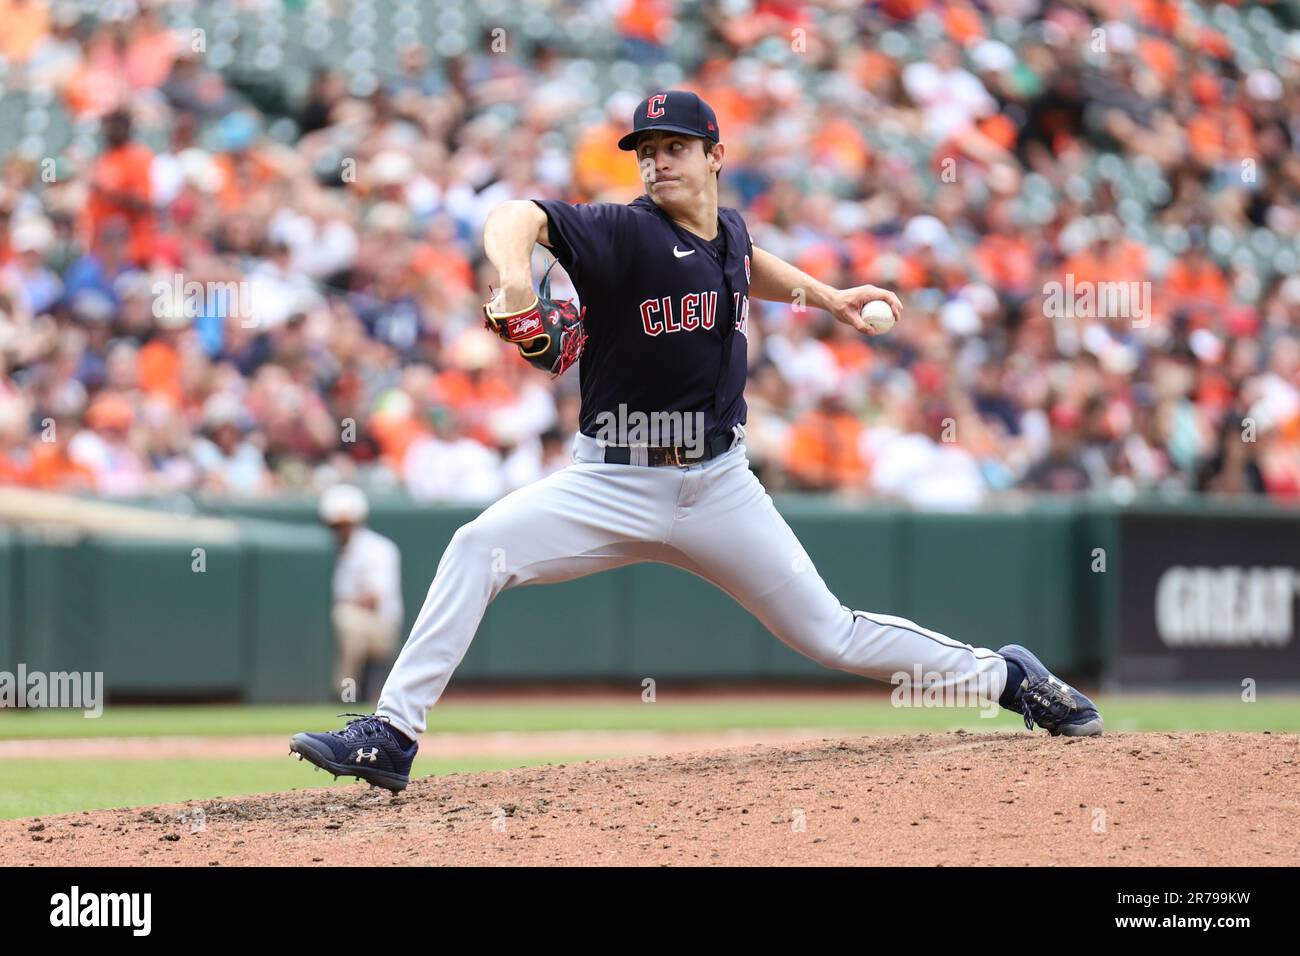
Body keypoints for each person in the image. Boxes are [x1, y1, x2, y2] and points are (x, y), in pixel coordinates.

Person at [289, 91, 1103, 792]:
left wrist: (827, 297)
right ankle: (393, 735)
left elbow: (747, 259)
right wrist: (508, 279)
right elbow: (518, 216)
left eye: (674, 148)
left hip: (718, 487)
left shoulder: (728, 234)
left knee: (831, 633)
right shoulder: (625, 235)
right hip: (610, 482)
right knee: (476, 547)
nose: (656, 163)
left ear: (716, 155)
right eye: (646, 151)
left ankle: (1008, 677)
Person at [317, 484, 403, 705]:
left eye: (345, 525)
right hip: (348, 619)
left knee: (344, 618)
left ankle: (345, 696)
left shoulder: (377, 548)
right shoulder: (329, 549)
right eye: (335, 525)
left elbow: (374, 599)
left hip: (380, 626)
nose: (341, 530)